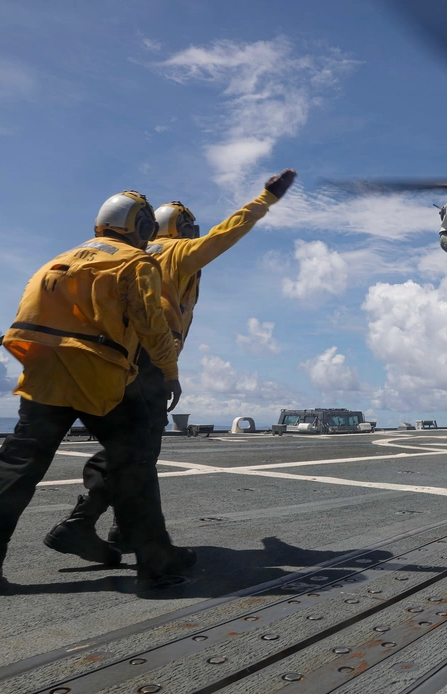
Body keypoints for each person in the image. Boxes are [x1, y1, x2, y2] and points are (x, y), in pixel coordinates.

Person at [43, 169, 297, 564]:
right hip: (148, 363)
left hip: (122, 356)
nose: (196, 231)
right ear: (180, 228)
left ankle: (123, 530)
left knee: (135, 445)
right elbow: (226, 233)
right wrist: (264, 200)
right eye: (191, 225)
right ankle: (81, 524)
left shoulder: (144, 253)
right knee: (136, 447)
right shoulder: (177, 252)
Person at [0, 191, 189, 594]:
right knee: (133, 461)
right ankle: (155, 563)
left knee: (19, 463)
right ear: (142, 227)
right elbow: (151, 324)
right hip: (98, 371)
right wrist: (169, 372)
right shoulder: (137, 261)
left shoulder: (57, 260)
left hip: (44, 370)